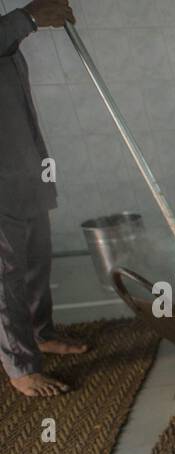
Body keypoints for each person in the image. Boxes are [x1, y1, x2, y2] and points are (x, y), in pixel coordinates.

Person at [1, 0, 88, 398]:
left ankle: (39, 333)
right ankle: (19, 365)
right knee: (6, 271)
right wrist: (30, 17)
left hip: (22, 160)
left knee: (37, 253)